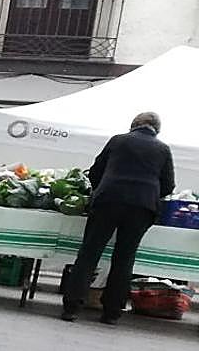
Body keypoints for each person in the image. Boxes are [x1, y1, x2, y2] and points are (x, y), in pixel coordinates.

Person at [61, 111, 176, 324]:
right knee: (124, 258)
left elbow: (95, 172)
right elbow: (168, 185)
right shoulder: (163, 149)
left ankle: (72, 307)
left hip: (109, 200)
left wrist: (103, 188)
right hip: (141, 207)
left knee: (89, 253)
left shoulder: (118, 141)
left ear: (134, 125)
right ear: (156, 129)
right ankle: (112, 312)